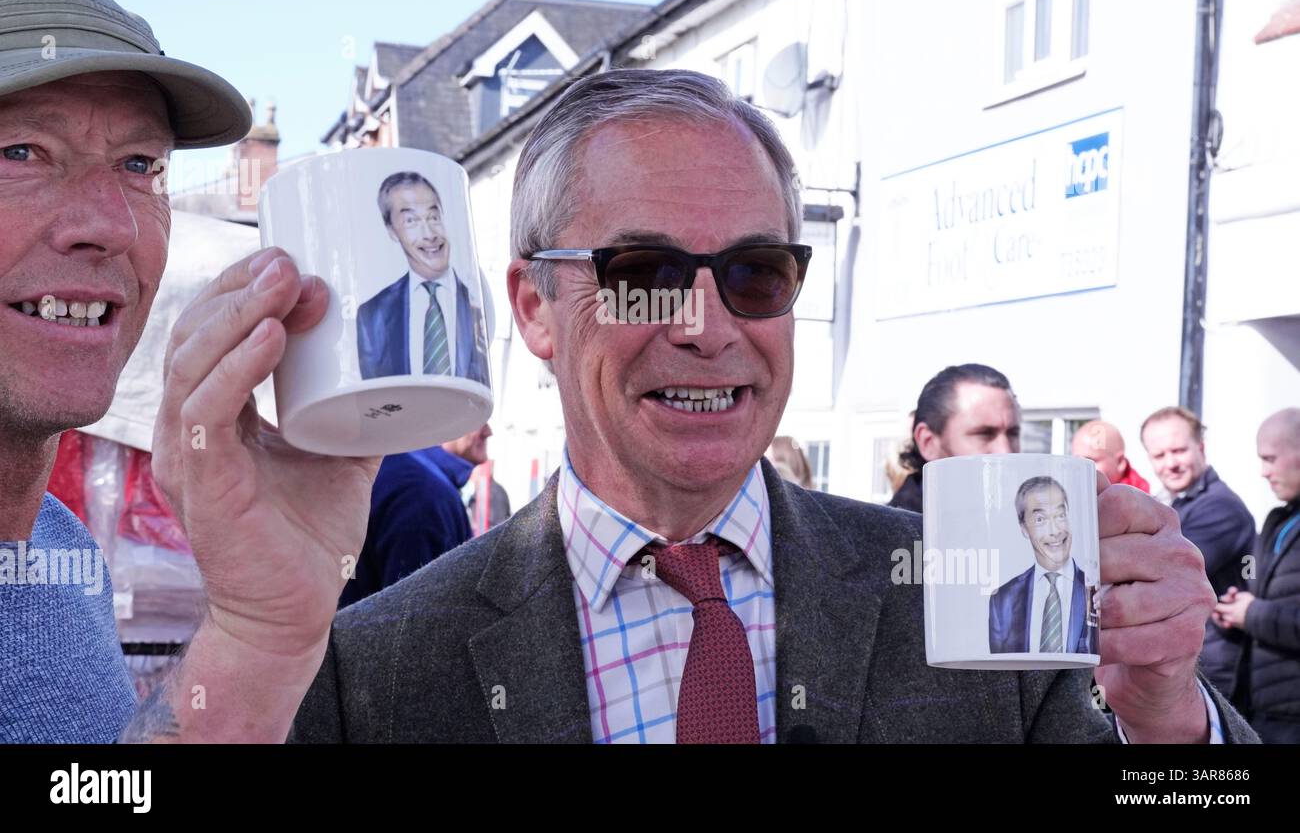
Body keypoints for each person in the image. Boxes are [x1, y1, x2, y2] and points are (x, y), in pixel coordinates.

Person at [168, 67, 1252, 744]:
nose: (704, 322)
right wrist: (253, 639)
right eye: (641, 267)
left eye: (754, 272)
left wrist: (1167, 720)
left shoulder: (960, 599)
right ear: (535, 309)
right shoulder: (375, 664)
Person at [0, 0, 258, 741]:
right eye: (21, 153)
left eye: (140, 165)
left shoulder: (58, 548)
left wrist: (263, 631)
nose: (110, 225)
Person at [1141, 406, 1255, 698]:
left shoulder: (1221, 507)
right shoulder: (1175, 503)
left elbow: (1163, 568)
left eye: (1178, 451)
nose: (1171, 463)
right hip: (1189, 657)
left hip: (1211, 666)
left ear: (1201, 448)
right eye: (1159, 455)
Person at [1213, 408, 1300, 743]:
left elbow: (1263, 612)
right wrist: (1236, 613)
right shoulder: (1279, 520)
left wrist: (1253, 614)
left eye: (1270, 458)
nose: (1263, 472)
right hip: (1265, 710)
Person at [337, 423, 492, 608]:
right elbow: (416, 620)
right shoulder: (423, 494)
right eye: (479, 420)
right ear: (442, 416)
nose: (489, 432)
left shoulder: (404, 474)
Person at [356, 171, 489, 384]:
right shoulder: (373, 315)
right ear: (391, 230)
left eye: (433, 217)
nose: (429, 233)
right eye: (411, 221)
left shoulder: (476, 300)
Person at [888, 363, 1020, 513]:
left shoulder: (1023, 523)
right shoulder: (883, 533)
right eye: (984, 433)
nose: (1006, 450)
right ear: (928, 442)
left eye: (1013, 433)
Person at [989, 477, 1098, 655]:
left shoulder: (1094, 590)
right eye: (1040, 519)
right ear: (1024, 528)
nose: (1055, 531)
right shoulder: (1002, 600)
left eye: (1060, 515)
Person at [1071, 419, 1150, 492]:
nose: (1079, 468)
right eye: (1076, 461)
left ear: (1120, 462)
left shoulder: (1143, 504)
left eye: (1089, 460)